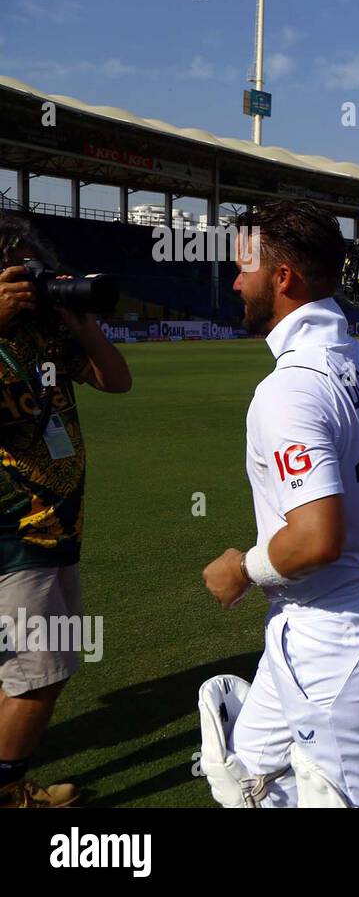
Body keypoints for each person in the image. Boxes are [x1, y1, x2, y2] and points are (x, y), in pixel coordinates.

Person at [199, 200, 359, 808]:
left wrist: (241, 569)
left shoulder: (289, 389)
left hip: (339, 638)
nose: (236, 282)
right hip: (335, 617)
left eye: (244, 268)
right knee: (247, 772)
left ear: (283, 277)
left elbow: (317, 537)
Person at [0, 213, 132, 808]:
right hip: (13, 532)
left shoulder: (47, 335)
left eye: (41, 271)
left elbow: (116, 379)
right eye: (24, 271)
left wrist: (78, 319)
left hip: (57, 525)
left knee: (27, 668)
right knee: (41, 671)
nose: (36, 283)